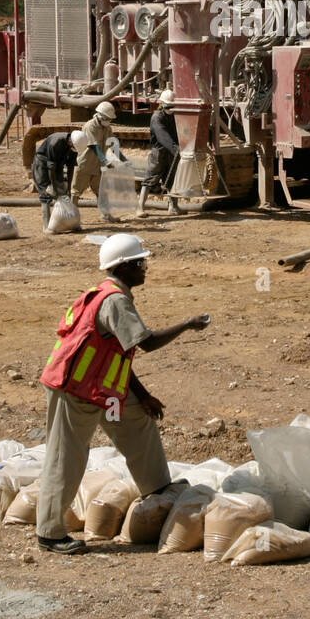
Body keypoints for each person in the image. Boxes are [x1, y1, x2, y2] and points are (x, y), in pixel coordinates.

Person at [36, 233, 210, 554]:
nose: (145, 268)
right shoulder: (114, 301)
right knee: (66, 458)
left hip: (102, 388)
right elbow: (146, 343)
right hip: (74, 390)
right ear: (123, 267)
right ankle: (49, 532)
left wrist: (142, 395)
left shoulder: (110, 295)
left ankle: (157, 487)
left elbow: (116, 354)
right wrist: (187, 324)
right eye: (139, 263)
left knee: (138, 421)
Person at [70, 101, 122, 205]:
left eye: (110, 119)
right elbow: (94, 146)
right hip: (86, 163)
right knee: (76, 191)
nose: (109, 121)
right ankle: (72, 212)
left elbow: (112, 143)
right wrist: (105, 161)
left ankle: (105, 212)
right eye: (107, 118)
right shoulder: (90, 126)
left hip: (98, 166)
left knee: (101, 191)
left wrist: (120, 159)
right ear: (100, 116)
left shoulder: (107, 128)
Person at [137, 89, 180, 216]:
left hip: (171, 152)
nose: (171, 108)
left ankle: (173, 207)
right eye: (168, 105)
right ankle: (140, 207)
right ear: (162, 103)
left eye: (172, 106)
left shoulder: (173, 116)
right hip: (159, 153)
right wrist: (175, 149)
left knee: (172, 179)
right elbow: (163, 136)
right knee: (150, 179)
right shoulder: (157, 117)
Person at [32, 130, 78, 231]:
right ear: (70, 142)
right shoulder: (55, 142)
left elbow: (71, 168)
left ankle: (64, 222)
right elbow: (51, 168)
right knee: (46, 192)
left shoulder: (74, 145)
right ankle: (47, 226)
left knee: (62, 191)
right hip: (42, 164)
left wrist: (69, 188)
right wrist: (54, 187)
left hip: (57, 165)